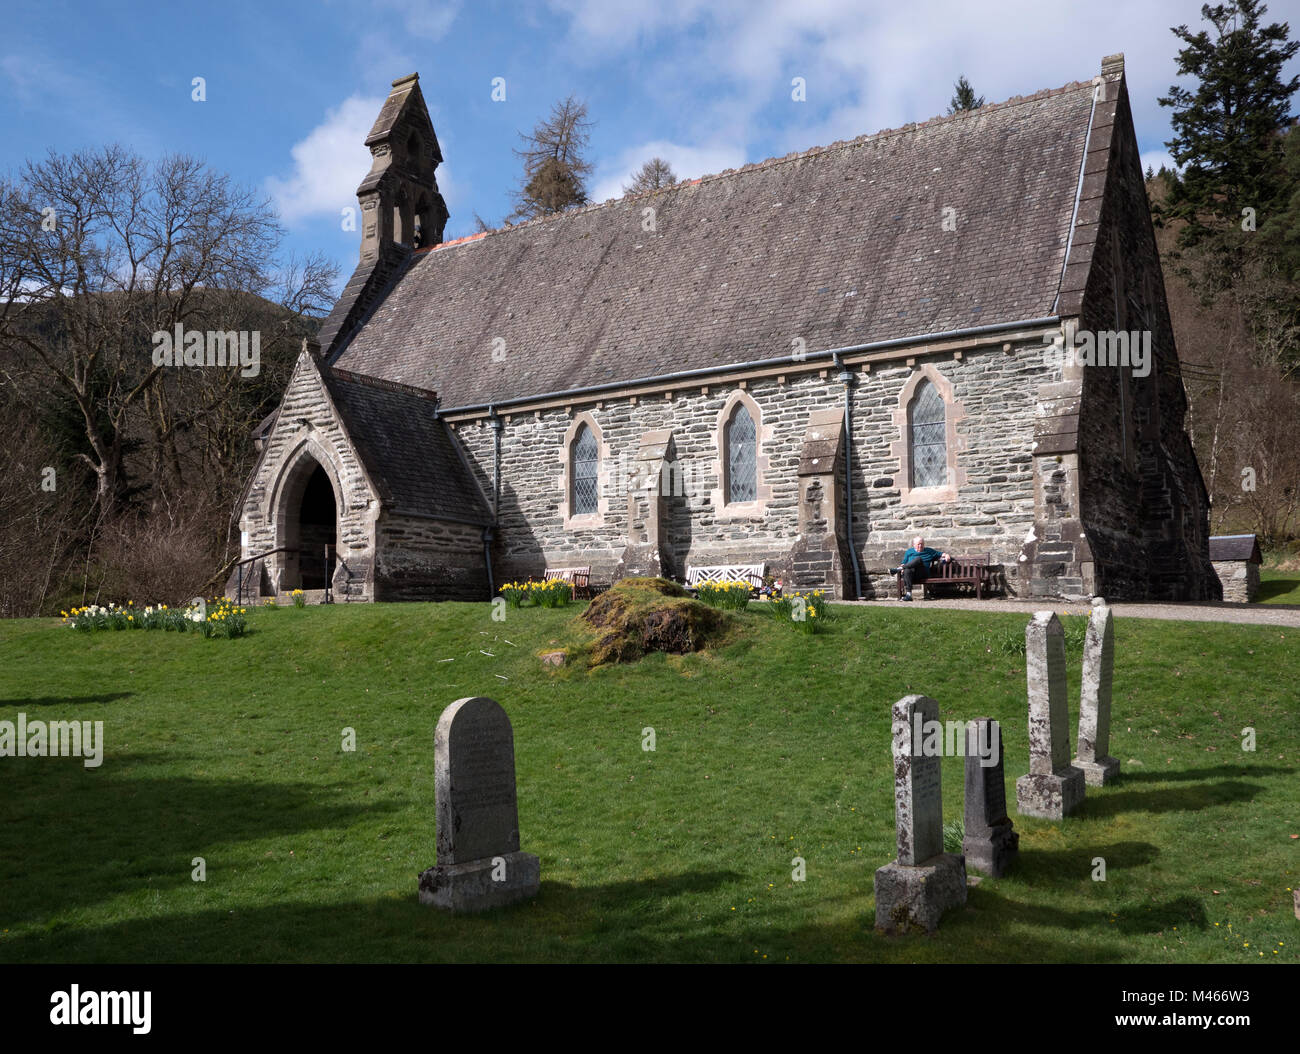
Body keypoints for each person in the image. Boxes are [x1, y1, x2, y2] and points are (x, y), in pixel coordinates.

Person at [890, 536, 950, 601]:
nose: (920, 545)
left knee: (918, 559)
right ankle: (909, 595)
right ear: (914, 545)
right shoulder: (909, 551)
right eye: (918, 544)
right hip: (911, 575)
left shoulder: (929, 551)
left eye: (922, 544)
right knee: (907, 570)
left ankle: (897, 569)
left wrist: (947, 555)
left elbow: (941, 554)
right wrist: (903, 567)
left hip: (922, 573)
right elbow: (904, 562)